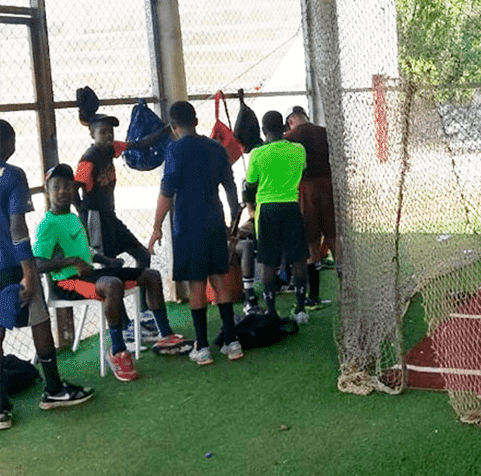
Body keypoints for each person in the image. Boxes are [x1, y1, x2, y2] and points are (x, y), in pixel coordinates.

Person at [34, 164, 193, 382]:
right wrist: (72, 261)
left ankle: (165, 335)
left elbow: (86, 251)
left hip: (86, 276)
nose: (62, 191)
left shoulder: (73, 217)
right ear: (48, 191)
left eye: (66, 186)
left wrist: (107, 260)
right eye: (56, 187)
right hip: (66, 284)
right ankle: (118, 350)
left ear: (73, 189)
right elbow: (37, 263)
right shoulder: (47, 224)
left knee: (150, 275)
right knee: (111, 285)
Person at [0, 122, 94, 429]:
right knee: (38, 318)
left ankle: (1, 407)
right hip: (12, 264)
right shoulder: (12, 176)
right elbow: (17, 229)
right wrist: (28, 271)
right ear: (8, 142)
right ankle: (54, 390)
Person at [148, 101, 243, 365]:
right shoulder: (216, 148)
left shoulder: (175, 150)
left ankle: (201, 346)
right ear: (197, 121)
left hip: (188, 225)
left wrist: (156, 227)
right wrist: (234, 218)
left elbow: (167, 192)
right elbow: (230, 185)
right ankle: (232, 341)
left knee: (197, 283)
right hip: (215, 220)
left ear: (173, 126)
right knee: (219, 280)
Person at [75, 113, 165, 340]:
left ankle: (145, 313)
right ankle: (124, 326)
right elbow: (74, 186)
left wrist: (164, 131)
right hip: (96, 217)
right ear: (92, 134)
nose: (108, 135)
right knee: (110, 271)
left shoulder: (111, 149)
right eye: (102, 132)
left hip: (110, 217)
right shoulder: (90, 157)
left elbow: (140, 144)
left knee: (142, 254)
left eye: (110, 131)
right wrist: (83, 212)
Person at [245, 110, 309, 325]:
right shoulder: (298, 150)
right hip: (291, 206)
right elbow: (303, 170)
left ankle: (270, 310)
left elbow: (251, 183)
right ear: (283, 128)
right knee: (299, 257)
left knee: (267, 260)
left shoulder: (257, 154)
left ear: (263, 131)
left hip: (267, 210)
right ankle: (301, 308)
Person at [284, 106, 336, 310]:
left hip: (306, 190)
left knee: (312, 244)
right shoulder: (324, 132)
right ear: (305, 115)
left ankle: (313, 295)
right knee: (334, 240)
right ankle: (348, 293)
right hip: (329, 187)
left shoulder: (290, 137)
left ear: (291, 120)